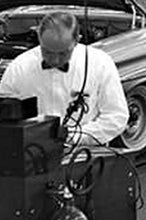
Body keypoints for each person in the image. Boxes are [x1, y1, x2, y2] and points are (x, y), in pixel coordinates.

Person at [0, 10, 128, 147]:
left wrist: (74, 137)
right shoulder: (19, 67)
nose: (55, 60)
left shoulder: (99, 63)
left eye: (63, 53)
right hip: (33, 155)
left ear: (77, 40)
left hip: (85, 153)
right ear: (39, 38)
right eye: (47, 52)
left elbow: (116, 116)